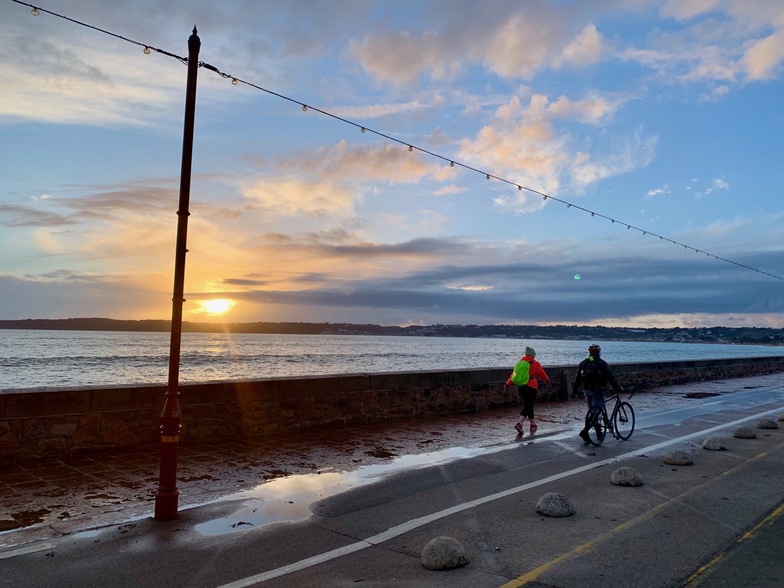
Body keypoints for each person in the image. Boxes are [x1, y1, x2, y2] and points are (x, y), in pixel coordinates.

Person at [573, 343, 623, 444]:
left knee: (593, 412)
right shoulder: (602, 363)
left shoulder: (583, 363)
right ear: (599, 352)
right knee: (596, 412)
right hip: (597, 390)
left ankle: (598, 433)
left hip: (586, 390)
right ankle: (584, 431)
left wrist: (574, 392)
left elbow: (577, 379)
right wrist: (618, 388)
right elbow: (610, 377)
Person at [505, 346, 550, 434]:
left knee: (529, 405)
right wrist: (547, 381)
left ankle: (533, 424)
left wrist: (508, 383)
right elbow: (542, 374)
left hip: (521, 387)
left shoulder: (520, 363)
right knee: (528, 405)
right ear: (533, 355)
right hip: (531, 387)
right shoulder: (535, 364)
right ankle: (520, 423)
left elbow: (513, 375)